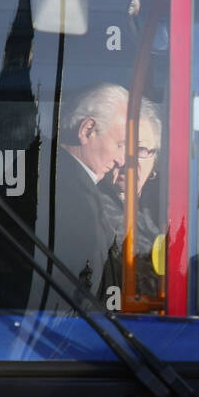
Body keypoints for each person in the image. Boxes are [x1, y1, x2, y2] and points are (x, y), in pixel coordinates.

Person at [54, 84, 129, 297]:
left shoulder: (43, 168)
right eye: (120, 145)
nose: (121, 161)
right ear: (87, 130)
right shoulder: (75, 192)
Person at [98, 101, 163, 299]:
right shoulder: (90, 206)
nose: (129, 160)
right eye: (121, 147)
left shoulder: (163, 209)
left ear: (155, 159)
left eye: (141, 150)